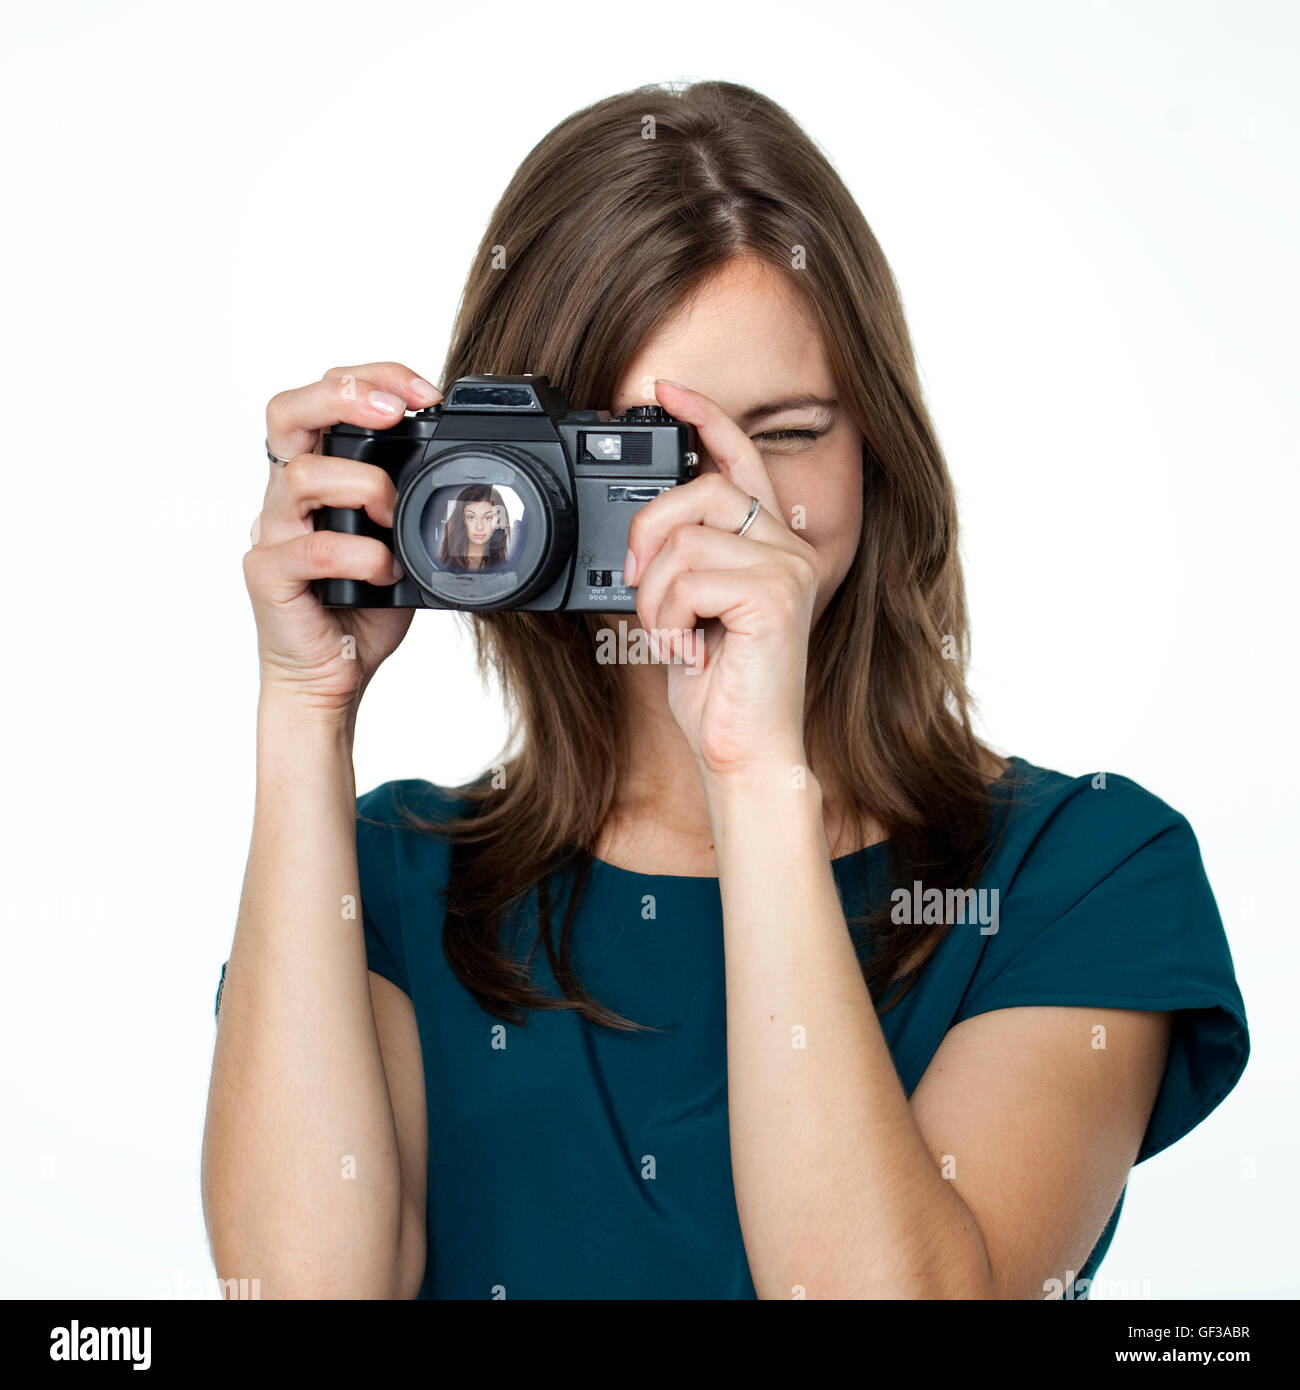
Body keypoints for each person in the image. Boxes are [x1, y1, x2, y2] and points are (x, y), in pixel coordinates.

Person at [202, 80, 1249, 1300]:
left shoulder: (1081, 874)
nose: (721, 505)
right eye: (635, 455)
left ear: (879, 449)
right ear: (500, 479)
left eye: (788, 431)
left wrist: (755, 772)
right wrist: (303, 707)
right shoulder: (382, 874)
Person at [437, 484, 512, 571]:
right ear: (462, 520)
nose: (479, 527)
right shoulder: (438, 567)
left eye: (488, 518)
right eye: (471, 517)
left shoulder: (507, 571)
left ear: (498, 521)